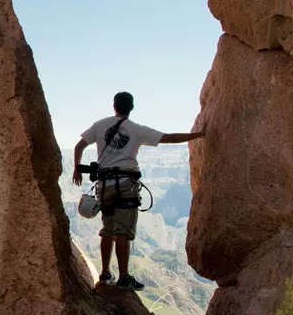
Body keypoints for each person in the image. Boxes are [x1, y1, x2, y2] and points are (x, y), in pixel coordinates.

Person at [71, 92, 204, 291]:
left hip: (104, 184)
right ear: (131, 107)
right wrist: (197, 135)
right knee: (123, 230)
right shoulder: (136, 129)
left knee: (107, 230)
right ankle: (123, 277)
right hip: (126, 184)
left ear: (114, 105)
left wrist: (76, 168)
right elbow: (168, 138)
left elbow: (79, 145)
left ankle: (105, 273)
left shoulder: (99, 125)